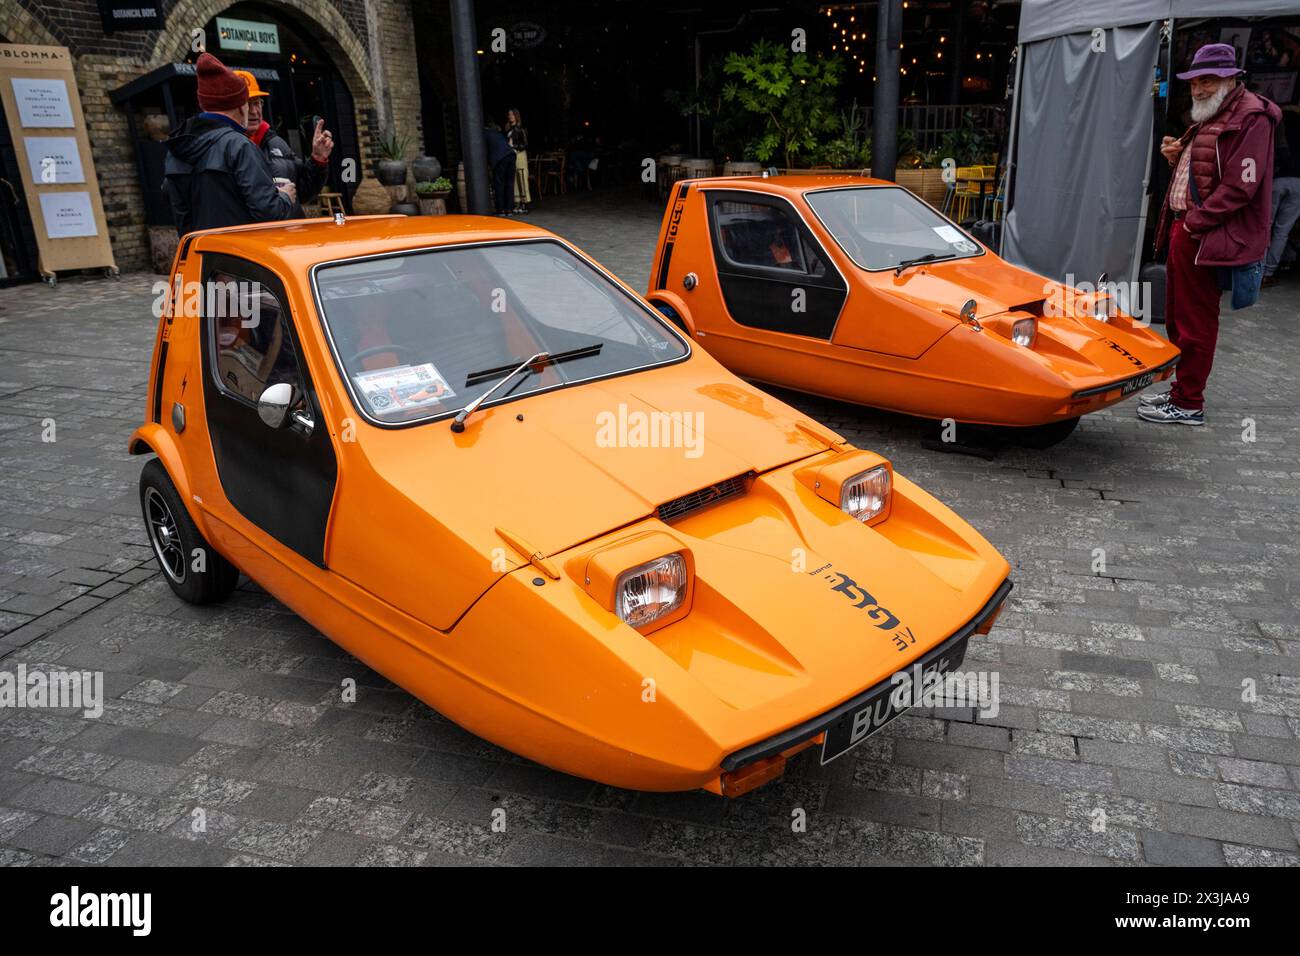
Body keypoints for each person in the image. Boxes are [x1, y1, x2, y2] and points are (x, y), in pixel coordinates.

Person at [1142, 43, 1279, 426]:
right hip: (1186, 230)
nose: (1199, 88)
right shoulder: (1217, 112)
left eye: (1208, 79)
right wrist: (1180, 152)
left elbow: (1240, 186)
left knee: (1195, 320)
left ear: (1231, 78)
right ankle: (1181, 393)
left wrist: (1194, 224)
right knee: (1176, 315)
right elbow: (1211, 164)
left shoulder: (1253, 116)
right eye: (1195, 81)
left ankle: (1188, 403)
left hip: (1202, 233)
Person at [163, 52, 296, 236]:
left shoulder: (177, 148)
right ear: (241, 106)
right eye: (249, 103)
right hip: (241, 257)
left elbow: (179, 214)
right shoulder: (239, 146)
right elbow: (268, 213)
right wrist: (285, 197)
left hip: (201, 258)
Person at [234, 70, 334, 217]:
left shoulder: (277, 143)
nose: (254, 111)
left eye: (257, 103)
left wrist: (318, 159)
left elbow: (303, 192)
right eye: (247, 105)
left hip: (292, 235)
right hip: (256, 238)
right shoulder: (226, 149)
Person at [1264, 105, 1300, 285]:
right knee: (1282, 230)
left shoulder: (1278, 129)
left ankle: (1256, 270)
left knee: (1265, 225)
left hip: (1277, 179)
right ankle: (1269, 271)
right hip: (1299, 182)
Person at [484, 121, 515, 215]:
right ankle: (509, 210)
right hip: (511, 155)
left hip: (500, 159)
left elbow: (484, 152)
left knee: (499, 185)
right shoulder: (497, 133)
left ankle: (500, 210)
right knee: (509, 184)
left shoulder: (484, 135)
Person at [505, 108, 530, 214]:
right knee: (514, 178)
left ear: (516, 115)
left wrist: (513, 146)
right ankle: (517, 202)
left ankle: (525, 202)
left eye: (512, 114)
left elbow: (525, 144)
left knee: (522, 177)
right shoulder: (508, 128)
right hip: (511, 155)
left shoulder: (521, 128)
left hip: (519, 154)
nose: (510, 116)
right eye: (509, 114)